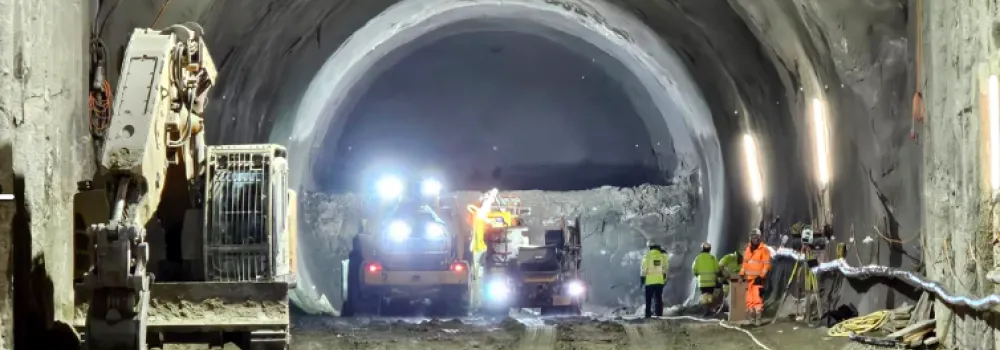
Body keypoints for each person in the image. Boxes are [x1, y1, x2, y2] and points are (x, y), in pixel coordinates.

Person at [741, 229, 772, 325]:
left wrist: (761, 276)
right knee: (749, 299)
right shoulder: (747, 249)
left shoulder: (764, 250)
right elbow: (744, 263)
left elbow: (767, 265)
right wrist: (742, 274)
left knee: (757, 299)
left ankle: (758, 318)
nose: (754, 239)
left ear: (759, 238)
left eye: (756, 237)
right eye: (752, 237)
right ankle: (751, 318)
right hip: (748, 279)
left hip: (757, 279)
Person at [640, 241, 668, 318]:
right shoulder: (662, 257)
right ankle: (659, 313)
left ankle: (648, 314)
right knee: (658, 298)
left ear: (650, 248)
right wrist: (664, 280)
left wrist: (642, 278)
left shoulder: (647, 256)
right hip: (659, 281)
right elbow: (665, 269)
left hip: (649, 282)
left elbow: (643, 269)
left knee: (648, 299)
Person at [691, 242, 719, 314]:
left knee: (704, 295)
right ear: (710, 249)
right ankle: (709, 310)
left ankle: (705, 310)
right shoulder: (713, 258)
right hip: (711, 281)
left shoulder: (698, 258)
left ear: (702, 248)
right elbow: (717, 269)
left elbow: (694, 269)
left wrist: (697, 274)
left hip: (702, 282)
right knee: (710, 295)